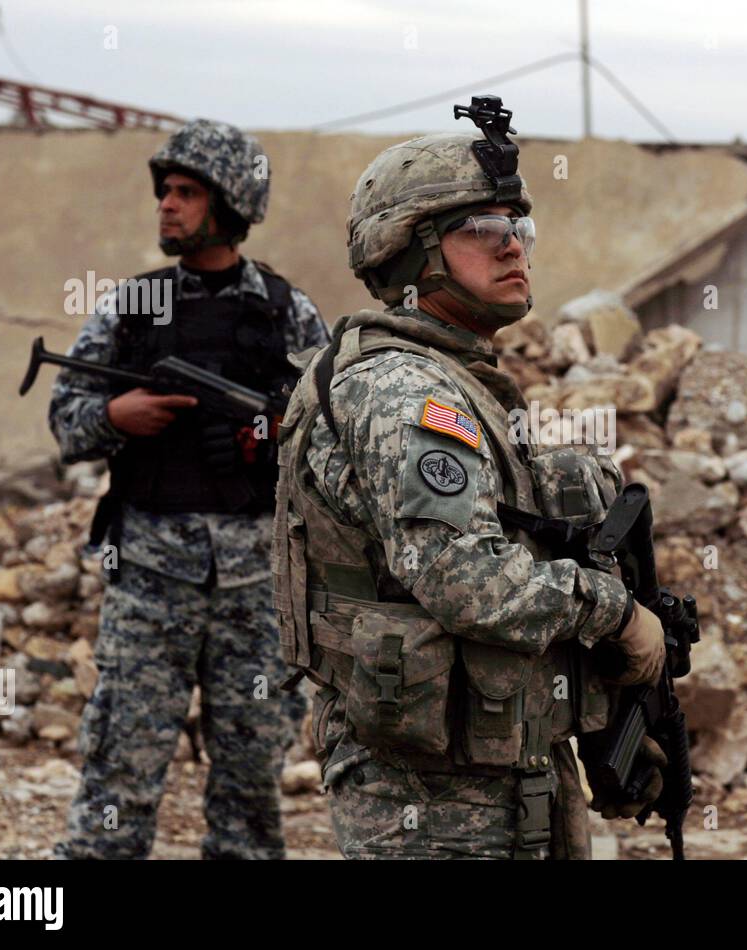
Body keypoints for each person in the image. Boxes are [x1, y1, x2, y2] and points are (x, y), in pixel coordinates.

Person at [273, 98, 667, 860]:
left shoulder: (455, 378)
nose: (514, 249)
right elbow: (467, 581)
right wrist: (616, 614)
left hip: (492, 767)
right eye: (484, 232)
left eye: (519, 229)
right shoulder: (404, 393)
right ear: (411, 254)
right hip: (435, 800)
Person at [50, 119, 328, 859]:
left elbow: (333, 437)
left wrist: (268, 434)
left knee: (250, 795)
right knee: (119, 780)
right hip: (148, 581)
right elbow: (65, 418)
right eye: (164, 192)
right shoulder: (130, 306)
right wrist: (115, 415)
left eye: (186, 192)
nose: (166, 206)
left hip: (255, 591)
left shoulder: (286, 311)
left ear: (229, 203)